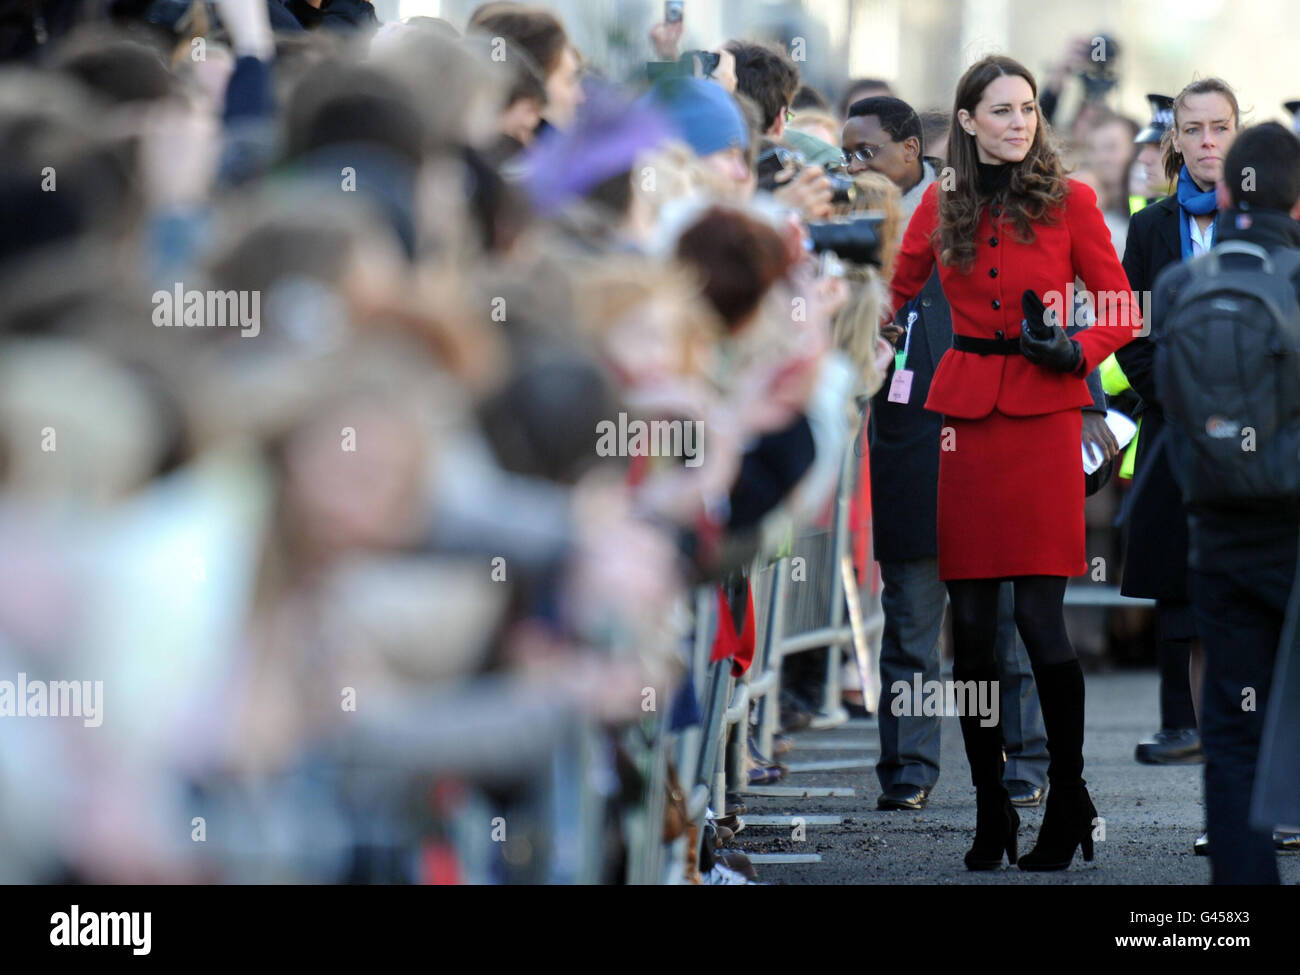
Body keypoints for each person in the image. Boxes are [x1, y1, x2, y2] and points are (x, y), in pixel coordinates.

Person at [888, 55, 1140, 871]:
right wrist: (880, 330)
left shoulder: (1073, 200)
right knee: (977, 635)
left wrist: (1074, 347)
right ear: (965, 120)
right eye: (1000, 110)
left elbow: (1121, 311)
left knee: (1040, 620)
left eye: (1027, 109)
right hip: (964, 421)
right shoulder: (940, 200)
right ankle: (991, 808)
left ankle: (1065, 796)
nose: (1017, 122)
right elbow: (895, 294)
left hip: (1042, 415)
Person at [847, 95, 1052, 812]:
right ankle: (908, 769)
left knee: (1005, 625)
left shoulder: (987, 213)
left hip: (994, 453)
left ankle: (1024, 758)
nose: (852, 167)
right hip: (909, 455)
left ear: (915, 152)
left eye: (864, 151)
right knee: (909, 625)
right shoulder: (858, 233)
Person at [1150, 122, 1300, 883]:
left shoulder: (1180, 286)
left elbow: (1171, 402)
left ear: (1221, 191)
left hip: (1213, 534)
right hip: (1292, 531)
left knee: (1233, 730)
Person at [1115, 78, 1240, 780]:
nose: (1207, 142)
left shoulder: (1271, 221)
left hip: (1251, 442)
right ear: (1176, 141)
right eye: (1193, 129)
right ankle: (1198, 754)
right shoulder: (1151, 226)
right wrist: (1175, 394)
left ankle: (1255, 784)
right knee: (1185, 600)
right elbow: (1132, 327)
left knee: (1247, 608)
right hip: (1173, 432)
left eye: (1219, 127)